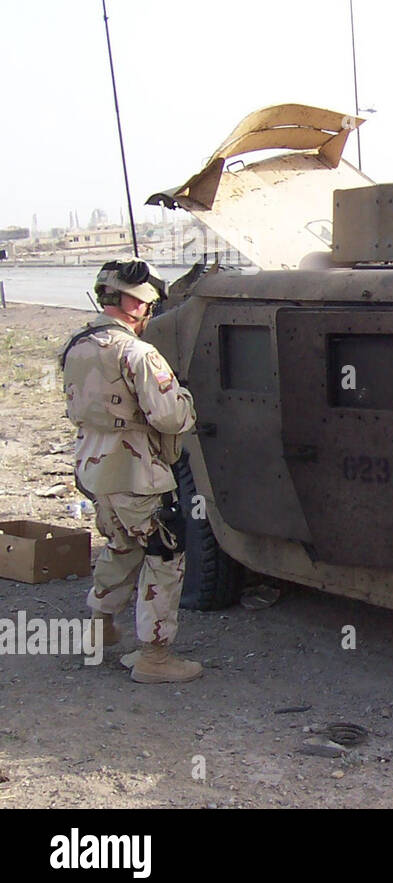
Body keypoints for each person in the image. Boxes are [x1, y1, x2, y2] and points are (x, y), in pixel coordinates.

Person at [61, 258, 202, 683]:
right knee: (165, 553)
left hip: (93, 467)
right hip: (135, 472)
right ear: (136, 304)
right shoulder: (137, 352)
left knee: (122, 545)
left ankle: (98, 627)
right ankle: (155, 657)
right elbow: (169, 417)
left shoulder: (77, 343)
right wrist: (185, 401)